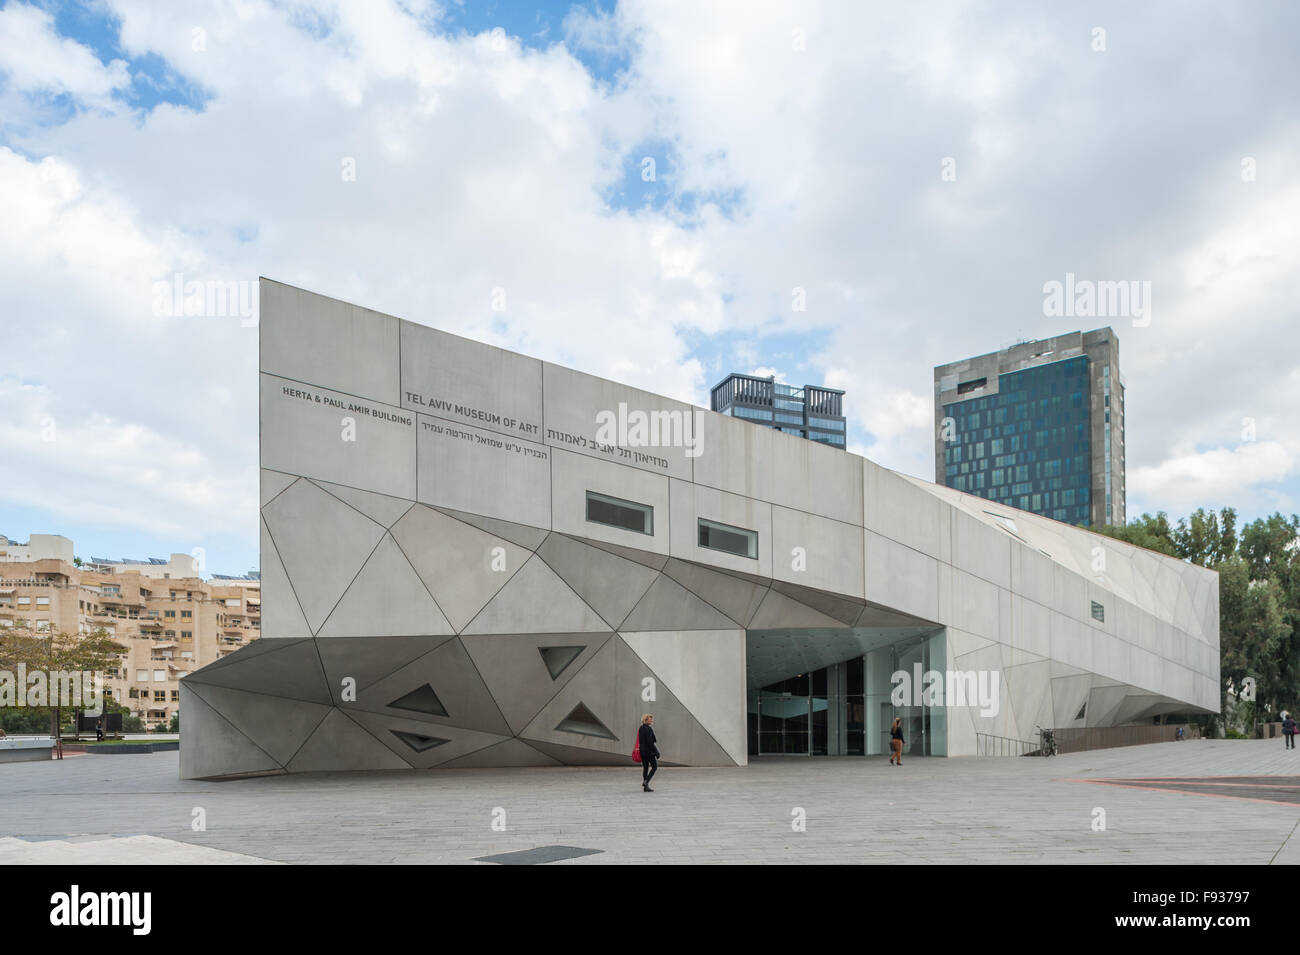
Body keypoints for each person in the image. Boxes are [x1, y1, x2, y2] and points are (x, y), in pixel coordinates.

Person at [638, 714, 659, 792]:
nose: (652, 721)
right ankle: (646, 781)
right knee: (654, 767)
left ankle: (645, 787)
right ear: (646, 720)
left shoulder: (641, 728)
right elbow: (650, 743)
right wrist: (656, 752)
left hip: (642, 751)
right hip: (649, 752)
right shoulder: (648, 729)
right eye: (650, 719)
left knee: (646, 768)